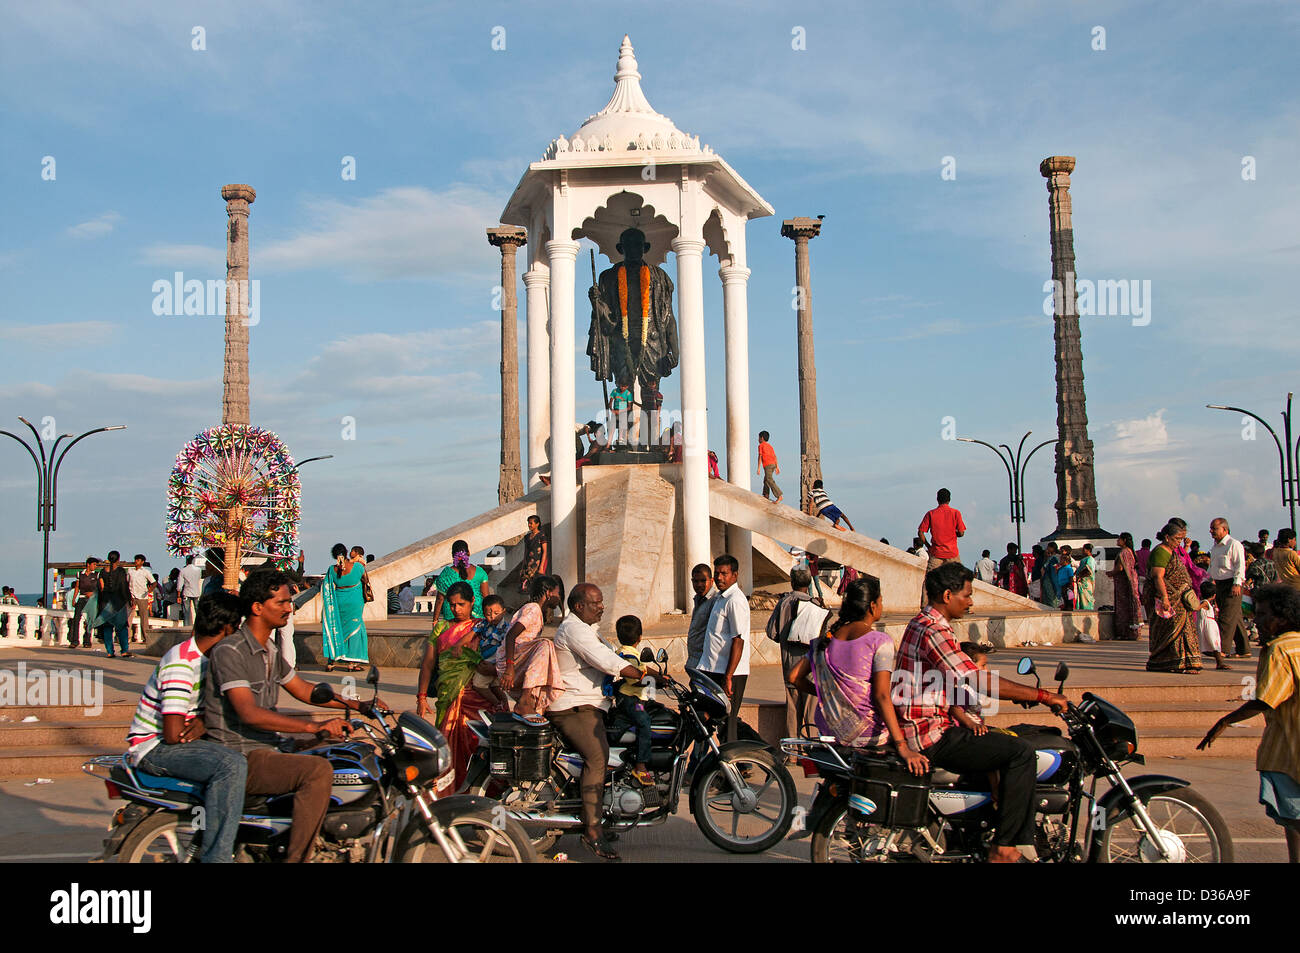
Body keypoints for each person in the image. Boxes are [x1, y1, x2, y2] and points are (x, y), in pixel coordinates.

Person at [897, 562, 1067, 862]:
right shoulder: (934, 630)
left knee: (1011, 738)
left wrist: (1019, 695)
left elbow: (956, 678)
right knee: (1021, 752)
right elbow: (976, 678)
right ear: (947, 595)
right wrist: (1042, 695)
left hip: (935, 722)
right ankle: (1005, 846)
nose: (972, 601)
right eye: (967, 594)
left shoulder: (923, 622)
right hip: (931, 733)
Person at [204, 568, 359, 863]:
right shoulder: (231, 651)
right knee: (317, 772)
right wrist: (313, 726)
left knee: (337, 754)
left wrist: (358, 704)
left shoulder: (269, 649)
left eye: (290, 602)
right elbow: (249, 714)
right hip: (240, 754)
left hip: (266, 747)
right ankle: (298, 858)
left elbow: (302, 689)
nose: (290, 607)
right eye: (282, 602)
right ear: (257, 607)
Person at [126, 591, 248, 863]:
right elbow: (172, 733)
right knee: (231, 765)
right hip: (154, 747)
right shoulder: (183, 663)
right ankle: (216, 858)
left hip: (178, 741)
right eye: (237, 627)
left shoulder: (209, 660)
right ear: (227, 628)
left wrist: (203, 722)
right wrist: (202, 724)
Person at [1199, 583, 1300, 862]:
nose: (1257, 620)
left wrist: (1224, 721)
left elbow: (1267, 699)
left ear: (1283, 617)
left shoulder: (1279, 649)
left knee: (1295, 820)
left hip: (1288, 751)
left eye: (1263, 614)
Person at [788, 574, 928, 770]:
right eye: (880, 601)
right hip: (867, 734)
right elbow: (881, 696)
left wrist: (827, 695)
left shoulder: (824, 641)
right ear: (872, 606)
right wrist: (902, 746)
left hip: (829, 730)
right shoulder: (879, 641)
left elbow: (794, 677)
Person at [547, 583, 643, 861]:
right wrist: (641, 674)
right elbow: (604, 660)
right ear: (579, 606)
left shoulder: (589, 629)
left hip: (592, 703)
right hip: (574, 706)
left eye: (601, 602)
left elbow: (612, 653)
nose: (602, 607)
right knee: (597, 758)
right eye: (596, 603)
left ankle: (601, 811)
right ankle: (591, 830)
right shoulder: (574, 629)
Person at [415, 581, 503, 787]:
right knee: (447, 749)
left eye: (461, 604)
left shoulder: (482, 626)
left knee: (480, 748)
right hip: (449, 697)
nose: (456, 609)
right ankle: (448, 794)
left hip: (479, 699)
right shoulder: (441, 628)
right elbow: (428, 664)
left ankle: (485, 794)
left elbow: (500, 653)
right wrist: (421, 697)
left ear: (473, 602)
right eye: (453, 605)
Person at [766, 567, 825, 745]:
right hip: (810, 666)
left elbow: (772, 632)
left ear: (792, 582)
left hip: (789, 664)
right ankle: (810, 752)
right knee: (810, 709)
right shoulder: (815, 605)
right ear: (808, 584)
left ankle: (792, 752)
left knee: (792, 709)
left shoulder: (784, 603)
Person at [698, 554, 750, 743]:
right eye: (717, 573)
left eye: (724, 573)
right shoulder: (721, 598)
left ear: (734, 575)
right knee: (711, 719)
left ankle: (737, 766)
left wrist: (728, 676)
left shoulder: (735, 600)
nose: (719, 578)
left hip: (729, 673)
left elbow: (738, 639)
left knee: (728, 723)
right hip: (713, 669)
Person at [500, 574, 566, 715]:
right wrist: (509, 667)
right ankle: (524, 701)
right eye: (557, 593)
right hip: (512, 659)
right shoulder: (533, 608)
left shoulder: (536, 610)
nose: (559, 598)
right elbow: (511, 636)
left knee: (544, 653)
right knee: (545, 645)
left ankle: (531, 703)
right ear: (548, 593)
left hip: (520, 656)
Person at [1145, 522, 1203, 674]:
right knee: (1170, 631)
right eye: (1177, 539)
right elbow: (1158, 576)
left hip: (1180, 600)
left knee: (1184, 630)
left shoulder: (1172, 551)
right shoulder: (1161, 552)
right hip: (1169, 599)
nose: (1179, 542)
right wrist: (1165, 597)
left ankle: (1186, 662)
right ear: (1167, 537)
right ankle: (1171, 662)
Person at [613, 615, 654, 785]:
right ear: (640, 637)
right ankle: (641, 765)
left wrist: (662, 677)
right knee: (644, 722)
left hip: (635, 698)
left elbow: (644, 669)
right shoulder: (628, 655)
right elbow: (634, 679)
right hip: (631, 698)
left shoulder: (628, 653)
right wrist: (653, 681)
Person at [321, 543, 367, 673]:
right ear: (346, 552)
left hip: (339, 601)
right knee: (354, 630)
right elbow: (364, 575)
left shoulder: (331, 570)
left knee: (337, 629)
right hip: (355, 602)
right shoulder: (357, 567)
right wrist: (356, 560)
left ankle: (331, 662)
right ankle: (351, 663)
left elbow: (326, 587)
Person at [1209, 517, 1249, 660]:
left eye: (1214, 528)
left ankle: (1223, 649)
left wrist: (1237, 583)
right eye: (1211, 528)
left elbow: (1240, 565)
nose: (1211, 531)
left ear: (1224, 529)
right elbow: (1212, 566)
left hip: (1232, 584)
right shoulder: (1215, 547)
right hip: (1219, 584)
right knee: (1235, 617)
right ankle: (1244, 649)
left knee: (1226, 618)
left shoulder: (1234, 544)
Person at [432, 540, 490, 622]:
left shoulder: (446, 574)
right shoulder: (480, 572)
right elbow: (486, 597)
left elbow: (440, 600)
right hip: (476, 617)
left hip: (452, 615)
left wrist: (435, 620)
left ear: (453, 555)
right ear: (468, 553)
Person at [471, 594, 510, 709]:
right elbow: (471, 635)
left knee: (478, 685)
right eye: (488, 614)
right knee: (494, 687)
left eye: (496, 613)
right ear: (483, 613)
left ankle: (498, 704)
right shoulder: (483, 624)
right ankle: (504, 707)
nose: (492, 617)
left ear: (503, 612)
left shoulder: (507, 629)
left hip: (496, 664)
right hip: (484, 660)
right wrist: (459, 645)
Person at [917, 488, 966, 573]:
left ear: (937, 499)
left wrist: (929, 546)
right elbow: (961, 533)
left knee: (930, 582)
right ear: (949, 500)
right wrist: (953, 533)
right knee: (958, 581)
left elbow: (920, 532)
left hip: (936, 554)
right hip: (952, 554)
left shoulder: (931, 514)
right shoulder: (955, 513)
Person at [96, 550, 132, 658]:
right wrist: (129, 600)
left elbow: (101, 588)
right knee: (121, 627)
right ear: (118, 559)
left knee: (107, 627)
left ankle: (109, 651)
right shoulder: (120, 571)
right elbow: (123, 587)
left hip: (105, 603)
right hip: (118, 602)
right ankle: (124, 650)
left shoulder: (102, 572)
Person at [1107, 532, 1143, 640]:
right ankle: (1133, 632)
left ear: (1124, 541)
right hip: (1131, 583)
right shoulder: (1131, 552)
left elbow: (1120, 568)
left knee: (1123, 607)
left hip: (1124, 584)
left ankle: (1125, 632)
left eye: (1119, 539)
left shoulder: (1123, 552)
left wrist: (1111, 573)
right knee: (1131, 605)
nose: (1117, 541)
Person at [685, 563, 718, 672]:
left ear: (712, 581)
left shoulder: (715, 602)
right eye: (695, 581)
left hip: (706, 665)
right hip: (695, 664)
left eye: (703, 581)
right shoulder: (699, 600)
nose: (699, 585)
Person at [1195, 579, 1233, 670]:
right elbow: (1196, 608)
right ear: (1214, 595)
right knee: (1214, 644)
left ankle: (1216, 662)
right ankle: (1220, 662)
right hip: (1209, 625)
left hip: (1203, 624)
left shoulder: (1204, 602)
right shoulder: (1205, 603)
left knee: (1204, 643)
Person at [68, 557, 100, 648]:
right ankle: (74, 641)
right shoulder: (80, 574)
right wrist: (74, 599)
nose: (95, 566)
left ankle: (87, 641)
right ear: (88, 564)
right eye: (94, 564)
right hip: (81, 598)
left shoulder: (96, 575)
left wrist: (93, 594)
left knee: (90, 620)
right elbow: (77, 587)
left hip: (92, 600)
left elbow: (100, 588)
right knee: (76, 619)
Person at [126, 554, 154, 643]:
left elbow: (154, 582)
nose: (136, 561)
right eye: (135, 560)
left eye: (138, 560)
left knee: (144, 618)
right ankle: (126, 637)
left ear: (142, 562)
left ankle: (146, 638)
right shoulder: (130, 571)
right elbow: (127, 582)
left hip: (143, 596)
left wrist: (150, 590)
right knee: (128, 617)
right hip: (132, 596)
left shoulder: (145, 572)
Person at [519, 515, 549, 595]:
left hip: (538, 563)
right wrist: (523, 567)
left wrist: (541, 567)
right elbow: (526, 552)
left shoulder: (542, 536)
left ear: (537, 524)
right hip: (528, 563)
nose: (529, 525)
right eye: (528, 523)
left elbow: (545, 552)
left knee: (538, 584)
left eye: (531, 523)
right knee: (527, 585)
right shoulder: (527, 537)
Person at [609, 375, 634, 446]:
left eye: (624, 386)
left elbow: (629, 407)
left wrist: (620, 411)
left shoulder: (628, 394)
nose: (622, 388)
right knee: (612, 427)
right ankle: (609, 442)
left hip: (623, 410)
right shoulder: (615, 391)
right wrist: (612, 410)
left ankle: (620, 439)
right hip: (615, 410)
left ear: (627, 387)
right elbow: (610, 402)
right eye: (621, 386)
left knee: (622, 426)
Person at [1075, 544, 1097, 610]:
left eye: (1083, 549)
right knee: (1082, 599)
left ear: (1088, 550)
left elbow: (1088, 570)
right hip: (1083, 583)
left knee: (1086, 599)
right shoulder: (1086, 559)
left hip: (1086, 583)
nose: (1082, 551)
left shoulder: (1090, 559)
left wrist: (1080, 576)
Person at [1055, 546, 1077, 610]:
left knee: (1069, 596)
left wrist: (1070, 584)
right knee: (1064, 596)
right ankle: (1066, 606)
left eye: (1061, 560)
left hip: (1067, 584)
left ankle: (1070, 606)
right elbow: (1057, 573)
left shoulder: (1068, 568)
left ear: (1065, 561)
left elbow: (1070, 576)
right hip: (1062, 584)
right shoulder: (1061, 568)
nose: (1060, 561)